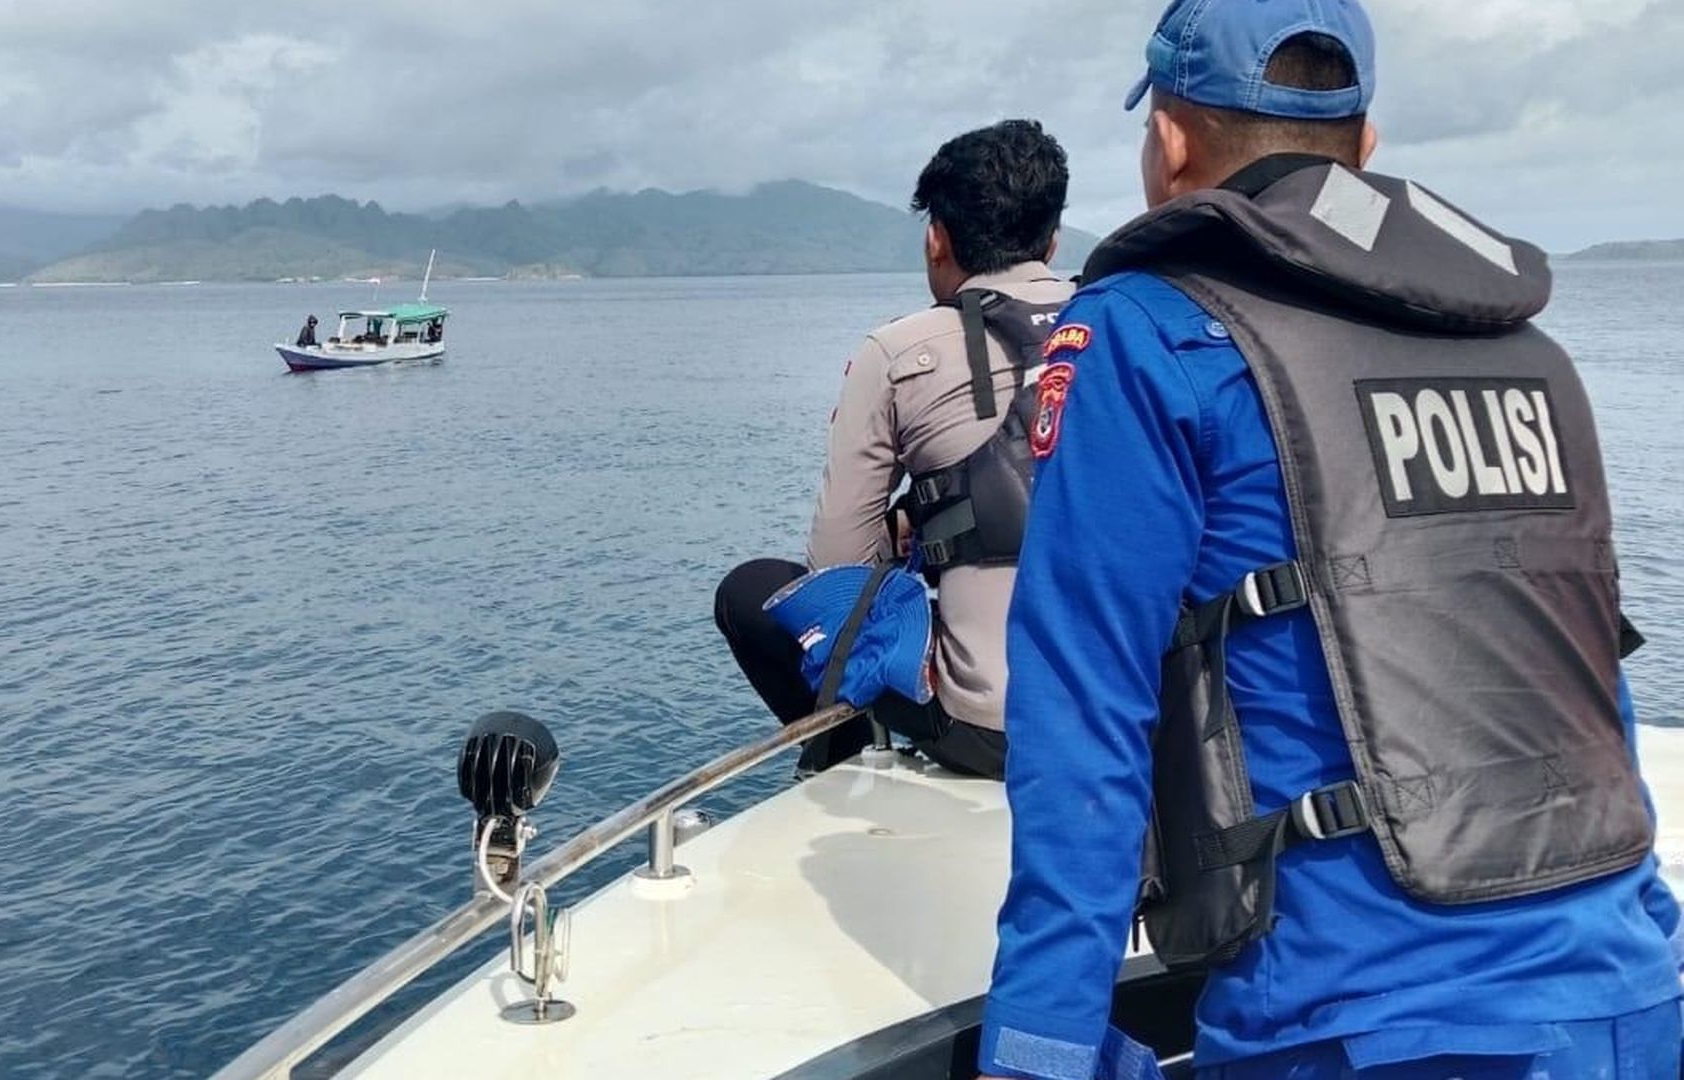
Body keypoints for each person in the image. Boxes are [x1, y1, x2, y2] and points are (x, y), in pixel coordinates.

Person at [979, 3, 1683, 1078]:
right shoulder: (1526, 349)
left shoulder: (1145, 330)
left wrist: (1034, 1051)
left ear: (1168, 144)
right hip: (1631, 996)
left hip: (1360, 1027)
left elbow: (1082, 714)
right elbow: (1587, 675)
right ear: (1365, 148)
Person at [714, 120, 1075, 780]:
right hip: (1132, 717)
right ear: (1052, 241)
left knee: (752, 590)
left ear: (936, 238)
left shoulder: (899, 351)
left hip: (987, 731)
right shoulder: (1122, 324)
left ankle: (838, 763)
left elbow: (836, 573)